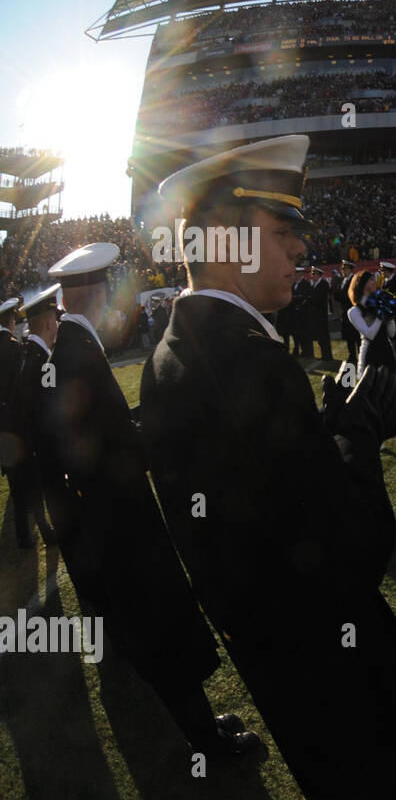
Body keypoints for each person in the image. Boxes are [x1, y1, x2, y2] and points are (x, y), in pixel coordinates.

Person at [139, 135, 396, 800]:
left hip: (286, 677)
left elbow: (256, 502)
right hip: (345, 678)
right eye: (282, 230)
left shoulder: (171, 356)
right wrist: (356, 435)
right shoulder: (254, 363)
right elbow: (351, 552)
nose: (302, 248)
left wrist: (324, 434)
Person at [39, 243, 259, 758]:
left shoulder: (75, 344)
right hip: (122, 524)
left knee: (165, 620)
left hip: (119, 518)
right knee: (159, 625)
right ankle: (205, 742)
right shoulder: (75, 352)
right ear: (93, 293)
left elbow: (102, 433)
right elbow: (97, 450)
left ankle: (203, 725)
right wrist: (160, 433)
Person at [347, 269, 396, 460]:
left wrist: (390, 316)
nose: (375, 282)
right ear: (362, 283)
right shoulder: (354, 311)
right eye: (371, 279)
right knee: (376, 403)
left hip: (387, 354)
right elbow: (369, 334)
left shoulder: (379, 301)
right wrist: (380, 315)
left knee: (394, 398)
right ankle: (386, 441)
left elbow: (391, 333)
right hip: (370, 357)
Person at [9, 286, 59, 549]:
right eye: (56, 319)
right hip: (45, 457)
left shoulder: (30, 353)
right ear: (50, 322)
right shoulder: (42, 362)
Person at [0, 296, 26, 546]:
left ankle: (19, 530)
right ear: (9, 319)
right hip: (16, 424)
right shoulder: (11, 346)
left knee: (14, 478)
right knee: (26, 483)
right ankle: (25, 533)